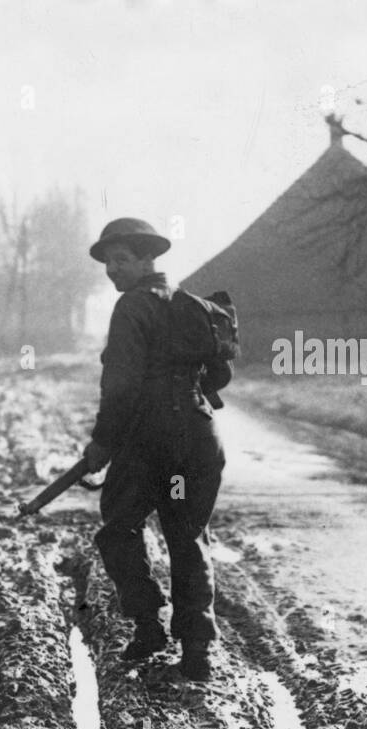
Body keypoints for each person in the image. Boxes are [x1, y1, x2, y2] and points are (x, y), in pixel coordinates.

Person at [82, 219, 229, 682]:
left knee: (117, 529)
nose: (111, 269)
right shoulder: (192, 306)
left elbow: (120, 385)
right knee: (187, 538)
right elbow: (219, 376)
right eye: (107, 261)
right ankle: (197, 652)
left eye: (120, 259)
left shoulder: (132, 307)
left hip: (151, 443)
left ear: (147, 259)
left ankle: (149, 626)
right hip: (199, 439)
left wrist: (102, 444)